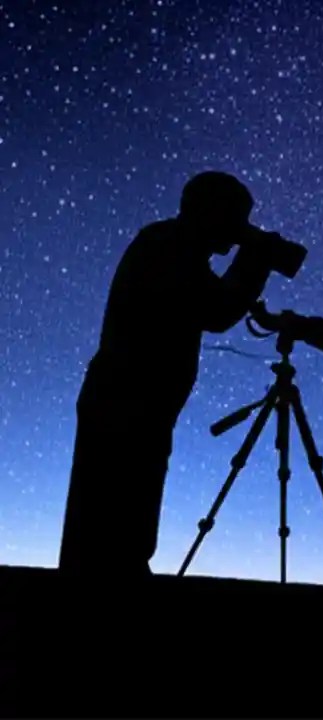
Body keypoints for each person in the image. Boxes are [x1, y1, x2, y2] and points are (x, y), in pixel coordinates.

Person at [58, 171, 276, 579]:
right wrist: (256, 259)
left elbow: (215, 303)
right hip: (126, 402)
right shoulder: (166, 247)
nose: (239, 233)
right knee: (111, 517)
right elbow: (216, 311)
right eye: (236, 220)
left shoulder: (176, 248)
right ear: (211, 212)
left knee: (122, 516)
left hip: (135, 401)